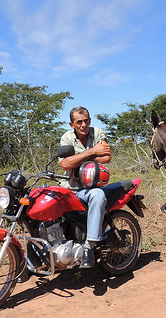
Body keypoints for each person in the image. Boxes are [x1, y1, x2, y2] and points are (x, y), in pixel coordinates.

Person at [59, 106, 112, 267]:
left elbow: (107, 157)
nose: (84, 125)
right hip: (69, 188)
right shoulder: (67, 138)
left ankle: (90, 246)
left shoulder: (97, 133)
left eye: (86, 120)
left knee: (98, 195)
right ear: (72, 124)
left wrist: (78, 158)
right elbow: (65, 164)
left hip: (90, 188)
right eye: (79, 122)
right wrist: (93, 152)